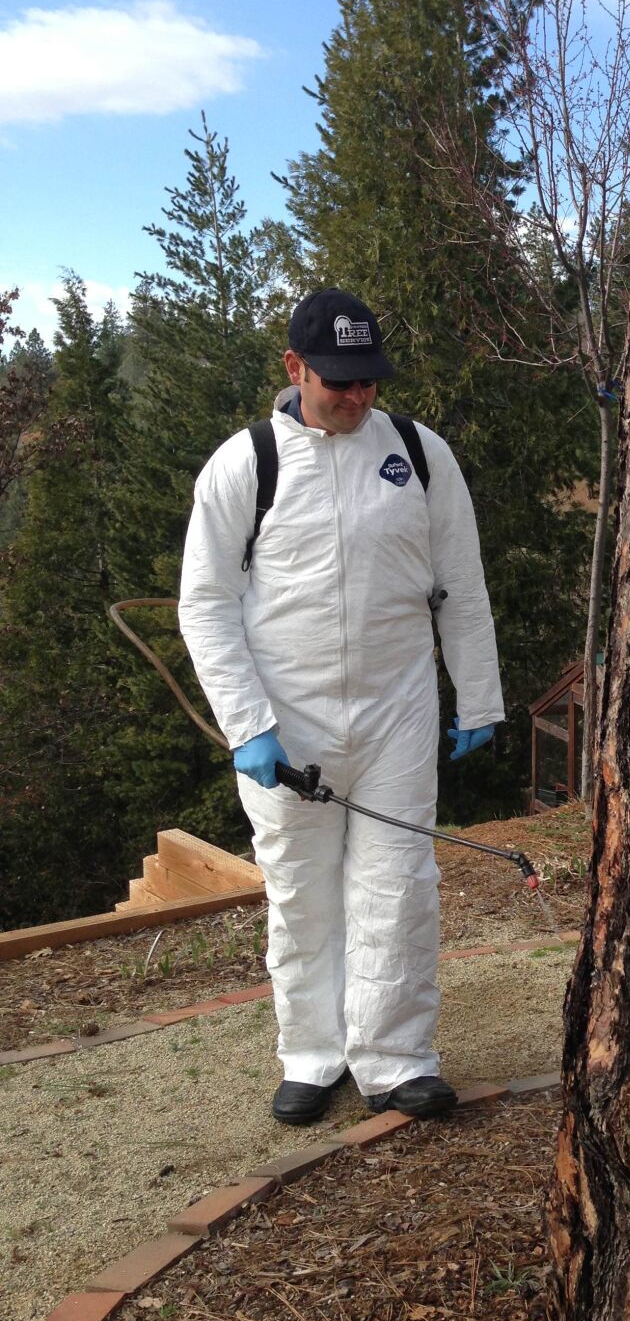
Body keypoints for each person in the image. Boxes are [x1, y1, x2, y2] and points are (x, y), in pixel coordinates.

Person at [179, 288, 505, 1125]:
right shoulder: (247, 464)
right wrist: (247, 726)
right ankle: (312, 1054)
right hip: (289, 724)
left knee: (399, 887)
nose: (357, 396)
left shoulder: (417, 454)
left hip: (397, 712)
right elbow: (206, 603)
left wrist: (478, 696)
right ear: (295, 368)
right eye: (338, 381)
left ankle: (397, 1058)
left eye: (368, 380)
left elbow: (460, 582)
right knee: (302, 894)